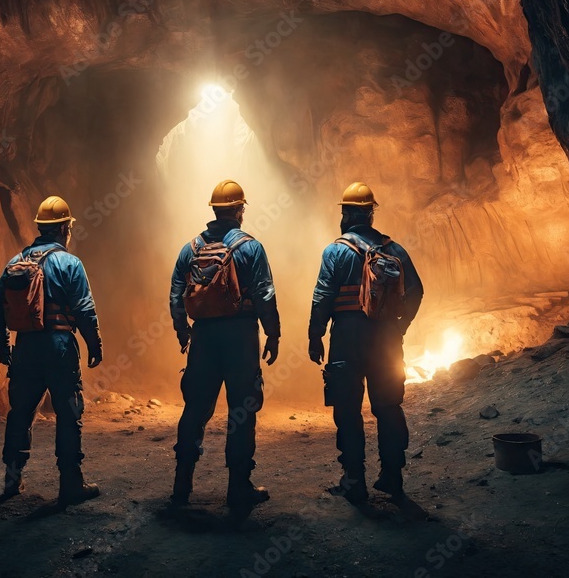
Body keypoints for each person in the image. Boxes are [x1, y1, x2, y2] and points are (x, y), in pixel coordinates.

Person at [307, 182, 423, 503]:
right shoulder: (394, 249)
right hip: (386, 339)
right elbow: (417, 292)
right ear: (371, 214)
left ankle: (354, 481)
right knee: (388, 407)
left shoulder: (335, 251)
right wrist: (400, 327)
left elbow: (323, 297)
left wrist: (315, 335)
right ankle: (392, 477)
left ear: (345, 214)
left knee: (347, 408)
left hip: (347, 338)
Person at [169, 180, 281, 508]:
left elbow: (176, 294)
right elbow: (264, 294)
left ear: (214, 210)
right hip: (240, 336)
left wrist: (182, 330)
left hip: (203, 336)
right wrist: (272, 333)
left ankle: (181, 485)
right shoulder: (250, 247)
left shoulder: (190, 249)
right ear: (240, 211)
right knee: (241, 411)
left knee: (195, 409)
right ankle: (238, 487)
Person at [0, 196, 103, 505]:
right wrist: (95, 343)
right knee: (68, 412)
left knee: (21, 412)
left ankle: (12, 481)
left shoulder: (16, 262)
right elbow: (83, 309)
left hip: (26, 346)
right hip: (59, 346)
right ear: (65, 228)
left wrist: (2, 344)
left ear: (41, 228)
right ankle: (71, 483)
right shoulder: (69, 263)